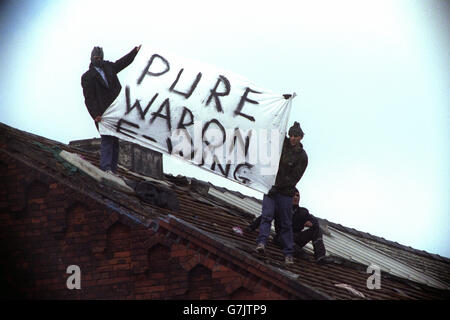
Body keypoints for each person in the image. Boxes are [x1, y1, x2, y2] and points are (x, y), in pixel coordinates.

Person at [81, 45, 141, 174]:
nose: (98, 59)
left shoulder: (109, 67)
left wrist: (134, 52)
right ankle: (106, 168)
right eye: (96, 57)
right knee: (107, 139)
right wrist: (95, 114)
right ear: (91, 58)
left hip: (116, 111)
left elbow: (122, 62)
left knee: (115, 141)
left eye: (100, 57)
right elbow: (89, 98)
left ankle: (112, 169)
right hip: (102, 114)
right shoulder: (87, 76)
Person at [255, 120, 308, 265]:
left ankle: (288, 253)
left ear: (300, 138)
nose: (292, 138)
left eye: (295, 136)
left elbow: (294, 178)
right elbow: (275, 131)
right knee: (267, 216)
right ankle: (261, 243)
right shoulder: (280, 145)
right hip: (270, 187)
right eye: (290, 135)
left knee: (285, 223)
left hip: (285, 192)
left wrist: (277, 186)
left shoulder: (302, 156)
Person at [247, 189, 327, 262]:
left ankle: (320, 257)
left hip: (296, 237)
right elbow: (265, 217)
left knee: (317, 229)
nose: (295, 197)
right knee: (284, 239)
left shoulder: (303, 212)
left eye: (297, 195)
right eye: (293, 195)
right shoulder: (280, 209)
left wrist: (311, 223)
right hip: (282, 237)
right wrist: (251, 227)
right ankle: (300, 253)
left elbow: (314, 221)